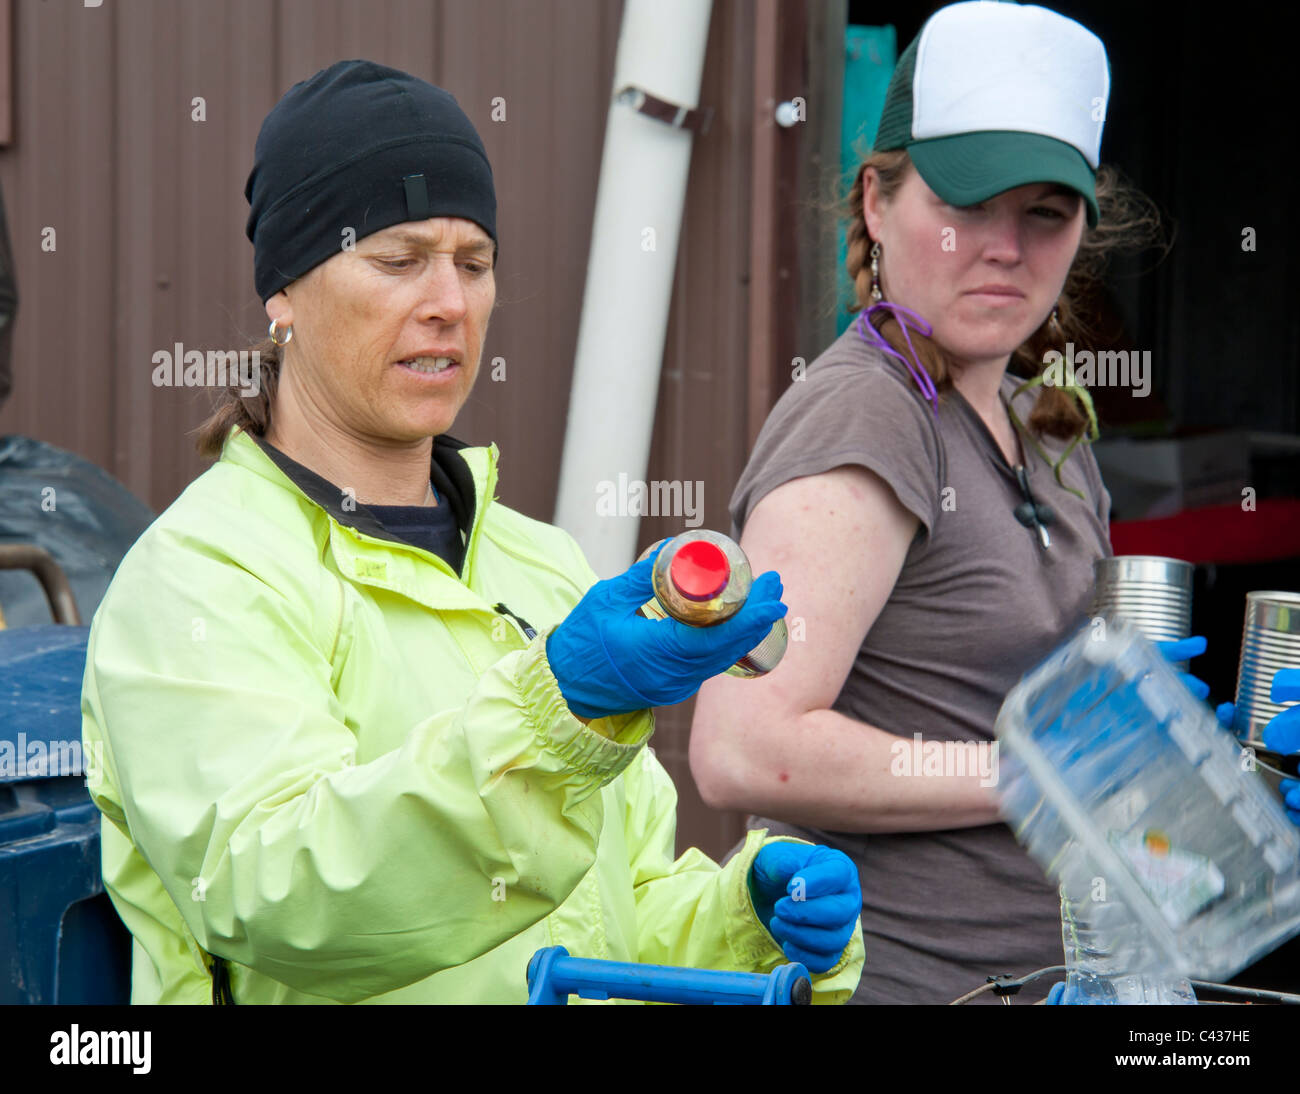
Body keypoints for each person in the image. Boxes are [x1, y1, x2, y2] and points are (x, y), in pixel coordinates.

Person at [80, 59, 865, 1004]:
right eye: (399, 259)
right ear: (283, 291)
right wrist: (555, 713)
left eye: (475, 262)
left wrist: (749, 923)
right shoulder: (202, 577)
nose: (449, 301)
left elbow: (614, 915)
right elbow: (274, 892)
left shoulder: (541, 563)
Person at [689, 1, 1213, 1005]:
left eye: (1043, 214)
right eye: (963, 204)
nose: (1003, 247)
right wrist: (1045, 774)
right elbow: (742, 744)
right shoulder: (868, 414)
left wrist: (1186, 756)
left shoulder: (1047, 425)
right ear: (875, 203)